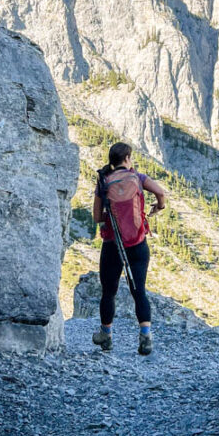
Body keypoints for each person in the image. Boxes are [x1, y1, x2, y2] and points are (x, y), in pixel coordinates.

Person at [92, 141, 167, 355]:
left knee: (109, 291)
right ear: (127, 159)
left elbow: (97, 217)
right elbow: (161, 194)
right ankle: (146, 337)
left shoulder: (104, 182)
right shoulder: (138, 178)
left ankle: (105, 336)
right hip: (137, 243)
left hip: (112, 244)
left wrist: (112, 216)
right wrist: (158, 208)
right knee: (139, 291)